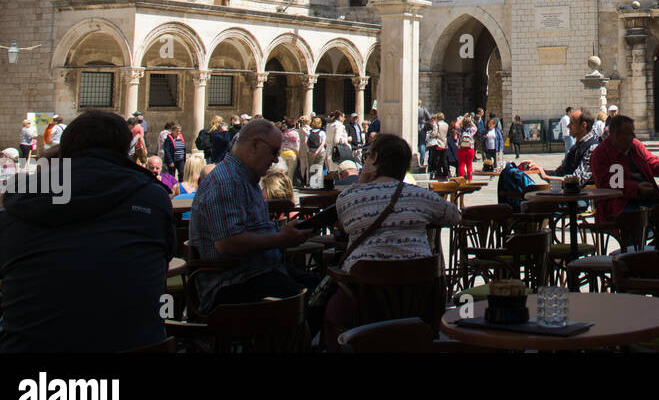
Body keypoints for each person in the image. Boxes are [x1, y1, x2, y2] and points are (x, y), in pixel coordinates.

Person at [0, 110, 175, 351]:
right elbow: (165, 255)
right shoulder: (153, 198)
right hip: (135, 347)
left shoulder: (20, 204)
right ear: (124, 151)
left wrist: (44, 167)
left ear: (63, 153)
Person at [323, 135, 460, 350]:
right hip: (418, 300)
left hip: (364, 299)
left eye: (368, 156)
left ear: (375, 158)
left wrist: (361, 181)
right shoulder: (420, 195)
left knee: (330, 311)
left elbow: (343, 218)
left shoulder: (350, 198)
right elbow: (454, 216)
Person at [188, 117, 314, 314]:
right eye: (274, 152)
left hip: (259, 273)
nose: (275, 159)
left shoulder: (245, 178)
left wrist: (282, 232)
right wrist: (280, 238)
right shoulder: (226, 182)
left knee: (325, 288)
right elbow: (229, 242)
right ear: (255, 145)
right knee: (313, 299)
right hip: (233, 283)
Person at [587, 115, 659, 221]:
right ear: (616, 135)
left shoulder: (635, 145)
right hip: (619, 205)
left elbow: (652, 163)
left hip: (647, 198)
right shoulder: (600, 154)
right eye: (629, 133)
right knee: (638, 219)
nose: (634, 136)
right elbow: (607, 184)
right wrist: (636, 188)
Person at [522, 111, 599, 185]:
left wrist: (546, 177)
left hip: (585, 196)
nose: (568, 126)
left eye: (572, 123)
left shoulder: (593, 148)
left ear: (583, 125)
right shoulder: (575, 147)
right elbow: (559, 173)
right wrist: (539, 170)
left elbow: (577, 180)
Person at [426, 112, 450, 180]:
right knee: (444, 159)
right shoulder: (446, 124)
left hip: (438, 143)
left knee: (437, 159)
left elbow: (434, 133)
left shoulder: (436, 124)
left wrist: (430, 135)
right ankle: (445, 173)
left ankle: (438, 173)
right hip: (444, 143)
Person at [305, 117, 328, 188]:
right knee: (319, 167)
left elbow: (305, 142)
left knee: (311, 167)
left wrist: (309, 150)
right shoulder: (322, 132)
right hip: (320, 152)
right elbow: (323, 143)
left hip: (310, 151)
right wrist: (317, 151)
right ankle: (318, 184)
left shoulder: (309, 132)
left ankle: (311, 184)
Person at [455, 116, 478, 180]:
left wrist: (463, 118)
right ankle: (470, 180)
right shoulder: (471, 130)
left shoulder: (460, 130)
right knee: (469, 166)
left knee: (461, 165)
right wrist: (471, 121)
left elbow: (456, 124)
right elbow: (476, 128)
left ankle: (461, 180)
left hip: (461, 149)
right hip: (470, 149)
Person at [416, 103, 431, 169]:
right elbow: (429, 118)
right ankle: (421, 161)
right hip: (422, 128)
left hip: (414, 128)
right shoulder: (423, 110)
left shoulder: (413, 109)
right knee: (422, 144)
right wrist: (425, 122)